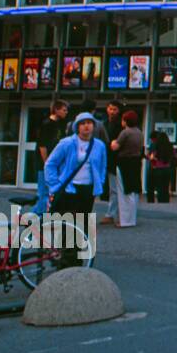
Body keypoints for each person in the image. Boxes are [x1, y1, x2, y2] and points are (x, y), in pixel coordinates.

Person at [42, 112, 109, 268]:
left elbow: (102, 166)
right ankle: (64, 261)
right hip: (69, 189)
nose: (86, 126)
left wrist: (100, 182)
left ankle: (77, 259)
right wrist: (55, 185)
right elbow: (50, 164)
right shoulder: (67, 143)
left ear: (94, 126)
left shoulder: (99, 145)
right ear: (77, 127)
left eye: (89, 123)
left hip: (87, 190)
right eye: (82, 123)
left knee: (82, 225)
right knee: (67, 225)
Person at [30, 100, 70, 216]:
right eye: (64, 110)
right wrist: (47, 163)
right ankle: (37, 216)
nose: (66, 112)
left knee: (49, 193)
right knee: (44, 192)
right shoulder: (47, 124)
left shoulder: (59, 125)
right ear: (56, 110)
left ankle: (36, 215)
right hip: (45, 165)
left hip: (53, 164)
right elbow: (42, 145)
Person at [110, 109, 144, 227]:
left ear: (125, 121)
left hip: (124, 163)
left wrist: (113, 141)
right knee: (133, 191)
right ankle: (131, 219)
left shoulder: (125, 133)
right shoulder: (139, 132)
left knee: (124, 191)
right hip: (135, 163)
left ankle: (124, 221)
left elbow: (115, 147)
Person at [99, 100, 123, 225]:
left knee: (114, 188)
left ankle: (112, 213)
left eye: (114, 109)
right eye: (110, 109)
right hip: (104, 159)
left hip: (115, 160)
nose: (112, 111)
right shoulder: (103, 124)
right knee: (108, 188)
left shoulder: (120, 125)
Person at [145, 130, 177, 203]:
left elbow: (151, 157)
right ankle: (165, 201)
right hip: (167, 169)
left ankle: (155, 201)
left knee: (157, 187)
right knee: (165, 187)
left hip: (157, 168)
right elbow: (173, 157)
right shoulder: (170, 146)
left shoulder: (156, 146)